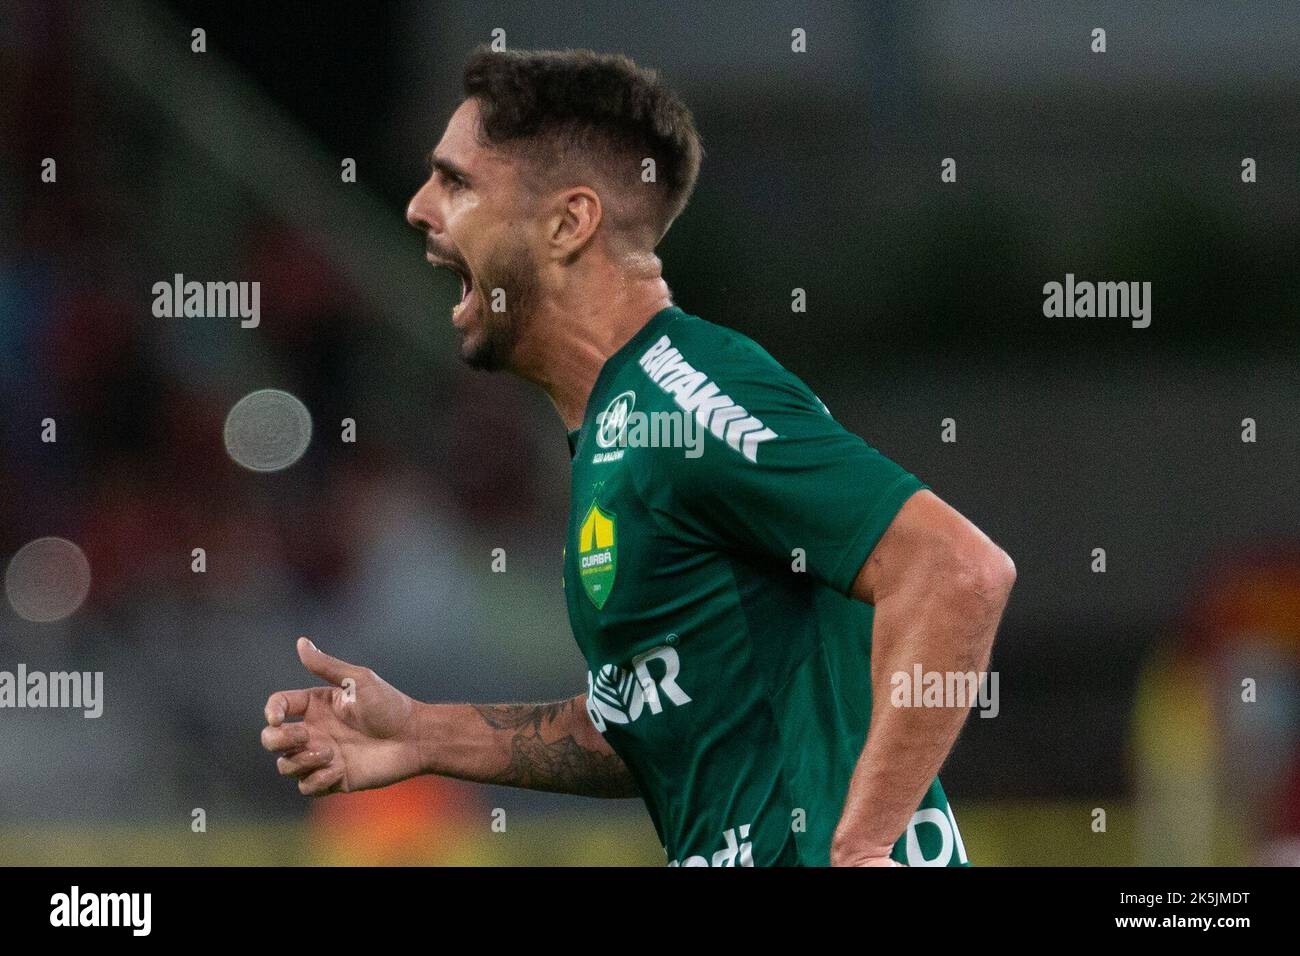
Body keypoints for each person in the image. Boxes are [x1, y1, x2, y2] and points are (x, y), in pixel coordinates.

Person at [261, 47, 1015, 866]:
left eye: (457, 182)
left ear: (568, 222)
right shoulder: (617, 430)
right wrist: (421, 733)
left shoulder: (685, 395)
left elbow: (956, 570)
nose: (416, 208)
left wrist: (866, 843)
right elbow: (643, 723)